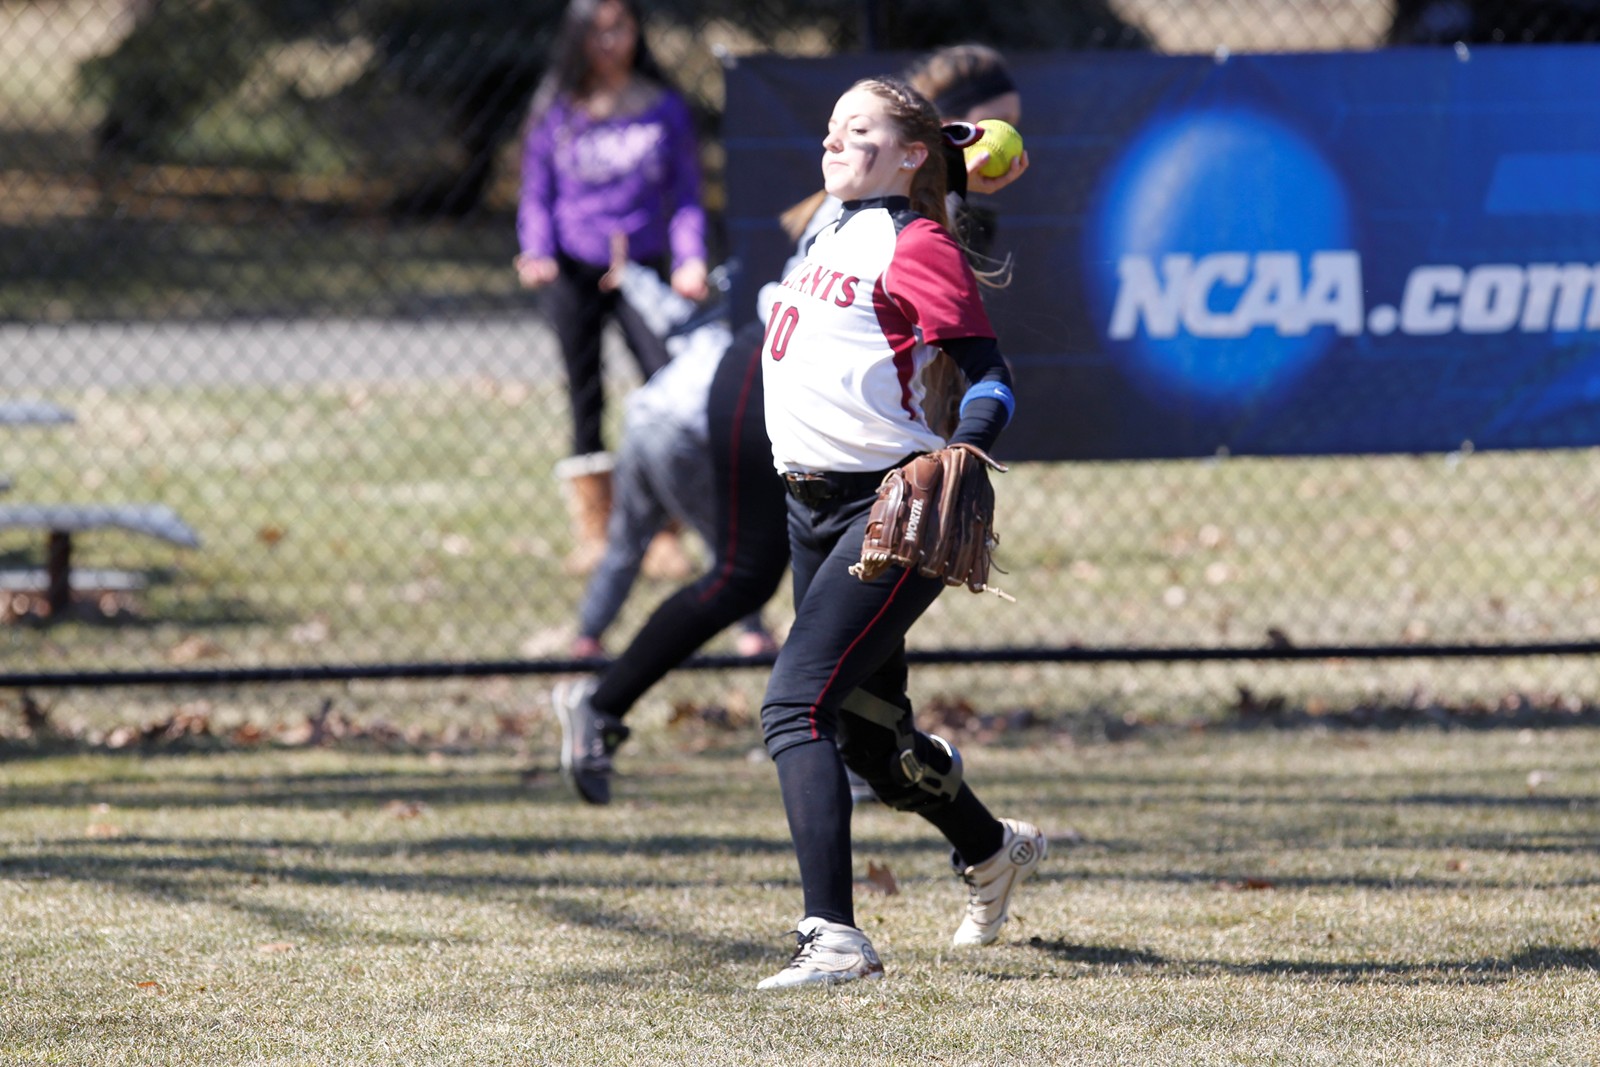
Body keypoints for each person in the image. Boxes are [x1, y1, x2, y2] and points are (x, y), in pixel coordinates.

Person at [552, 44, 1030, 806]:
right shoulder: (883, 193)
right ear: (950, 131)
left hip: (796, 388)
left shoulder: (912, 192)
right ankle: (604, 705)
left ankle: (858, 747)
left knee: (833, 580)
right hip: (760, 383)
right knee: (746, 574)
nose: (1012, 141)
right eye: (999, 124)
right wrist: (957, 168)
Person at [748, 76, 1045, 989]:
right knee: (870, 739)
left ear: (912, 153)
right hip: (808, 507)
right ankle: (991, 848)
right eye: (831, 125)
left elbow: (991, 378)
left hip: (888, 509)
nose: (834, 140)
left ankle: (833, 936)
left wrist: (964, 453)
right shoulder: (828, 228)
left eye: (860, 128)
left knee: (793, 707)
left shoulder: (913, 244)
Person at [515, 0, 709, 576]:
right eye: (597, 31)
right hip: (572, 270)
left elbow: (687, 196)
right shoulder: (557, 110)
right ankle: (594, 532)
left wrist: (690, 258)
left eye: (620, 28)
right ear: (578, 37)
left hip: (644, 269)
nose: (609, 41)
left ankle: (662, 531)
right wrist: (537, 250)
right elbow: (536, 194)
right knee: (585, 393)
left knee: (664, 391)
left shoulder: (662, 108)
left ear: (636, 32)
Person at [569, 264, 777, 660]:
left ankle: (588, 637)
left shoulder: (706, 333)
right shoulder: (761, 350)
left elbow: (664, 308)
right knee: (728, 542)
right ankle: (753, 634)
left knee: (627, 538)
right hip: (675, 440)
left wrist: (628, 274)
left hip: (641, 423)